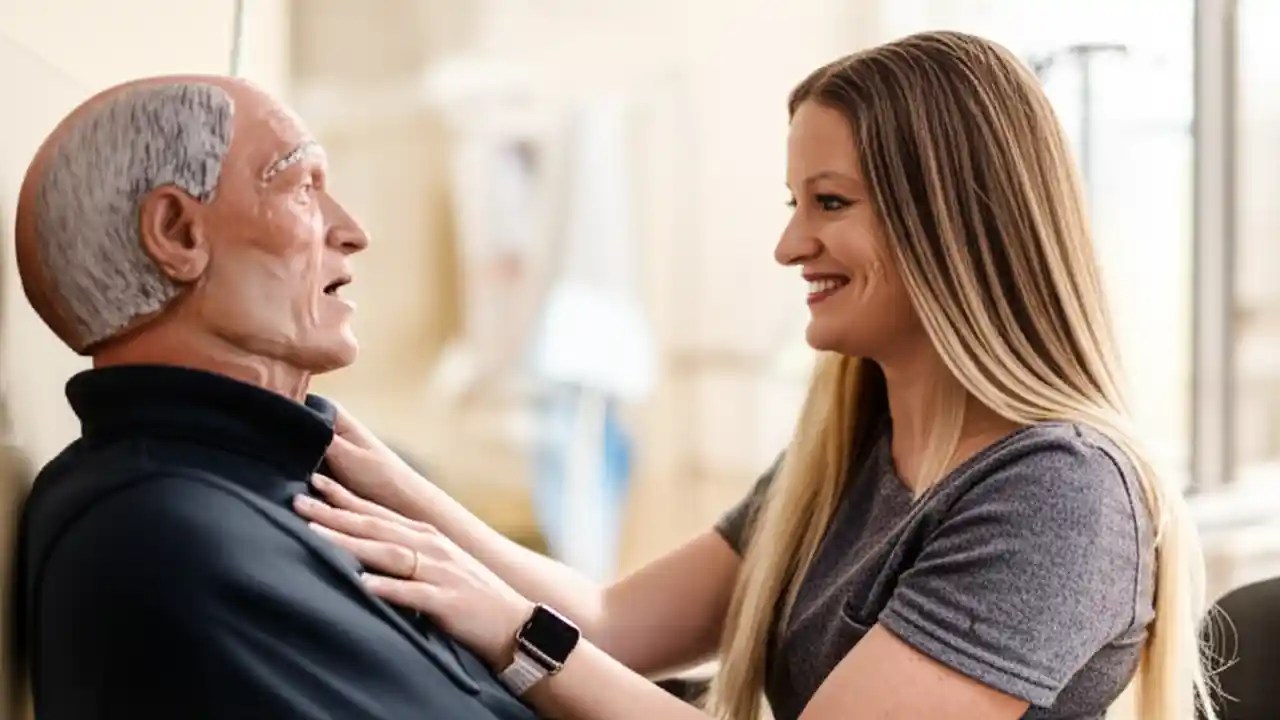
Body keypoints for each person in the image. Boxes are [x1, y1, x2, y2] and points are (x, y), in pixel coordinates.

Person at [295, 30, 1220, 720]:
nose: (789, 245)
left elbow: (563, 635)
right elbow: (615, 619)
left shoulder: (1058, 494)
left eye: (830, 203)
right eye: (795, 204)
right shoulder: (851, 457)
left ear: (949, 220)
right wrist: (379, 473)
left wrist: (508, 629)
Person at [13, 75, 537, 720]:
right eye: (303, 186)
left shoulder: (286, 489)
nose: (351, 231)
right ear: (178, 233)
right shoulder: (170, 537)